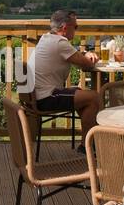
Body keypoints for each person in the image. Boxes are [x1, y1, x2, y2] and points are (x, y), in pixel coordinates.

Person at [28, 8, 101, 139]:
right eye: (76, 26)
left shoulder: (47, 38)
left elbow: (75, 56)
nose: (76, 30)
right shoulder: (60, 42)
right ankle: (88, 144)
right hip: (46, 98)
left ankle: (88, 143)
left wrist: (85, 55)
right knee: (93, 97)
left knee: (82, 94)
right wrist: (90, 56)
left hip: (35, 97)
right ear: (66, 27)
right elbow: (86, 64)